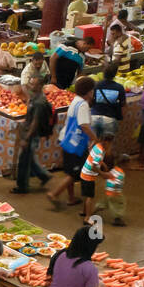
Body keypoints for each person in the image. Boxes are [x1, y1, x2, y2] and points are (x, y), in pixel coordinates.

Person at [47, 77, 95, 210]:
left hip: (66, 139)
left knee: (69, 170)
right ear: (89, 92)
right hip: (76, 143)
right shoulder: (84, 105)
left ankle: (71, 198)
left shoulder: (75, 100)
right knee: (74, 173)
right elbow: (84, 125)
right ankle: (54, 193)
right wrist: (95, 138)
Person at [13, 75, 54, 194]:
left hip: (32, 134)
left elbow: (35, 122)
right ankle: (45, 176)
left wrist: (26, 138)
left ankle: (22, 187)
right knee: (29, 158)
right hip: (29, 132)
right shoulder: (34, 97)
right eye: (30, 83)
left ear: (40, 86)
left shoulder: (40, 102)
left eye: (33, 84)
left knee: (24, 160)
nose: (30, 86)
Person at [91, 63, 126, 139]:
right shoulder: (119, 87)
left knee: (94, 144)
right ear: (115, 74)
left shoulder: (96, 85)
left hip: (94, 117)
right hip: (109, 120)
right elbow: (123, 104)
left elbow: (90, 100)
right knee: (107, 146)